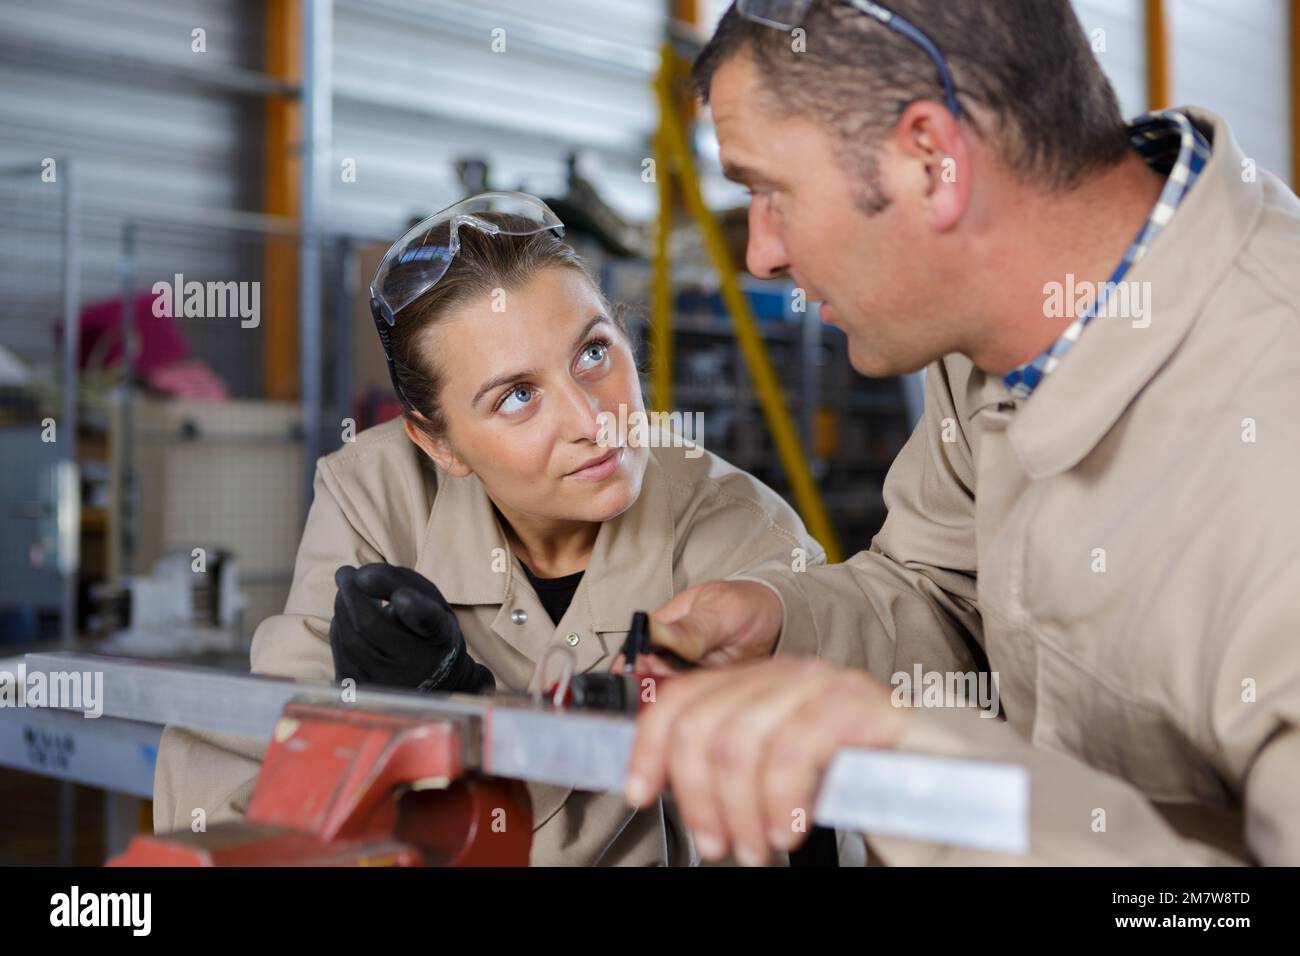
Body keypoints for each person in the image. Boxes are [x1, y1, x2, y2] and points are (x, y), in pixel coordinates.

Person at [625, 0, 1300, 866]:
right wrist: (789, 627)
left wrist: (928, 775)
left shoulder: (1272, 427)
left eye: (769, 192)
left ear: (933, 161)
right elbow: (948, 593)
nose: (760, 254)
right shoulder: (986, 333)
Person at [150, 191, 864, 866]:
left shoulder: (741, 532)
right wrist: (364, 710)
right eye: (518, 396)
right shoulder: (376, 489)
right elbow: (267, 748)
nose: (593, 421)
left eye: (594, 352)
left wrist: (455, 709)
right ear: (439, 445)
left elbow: (782, 829)